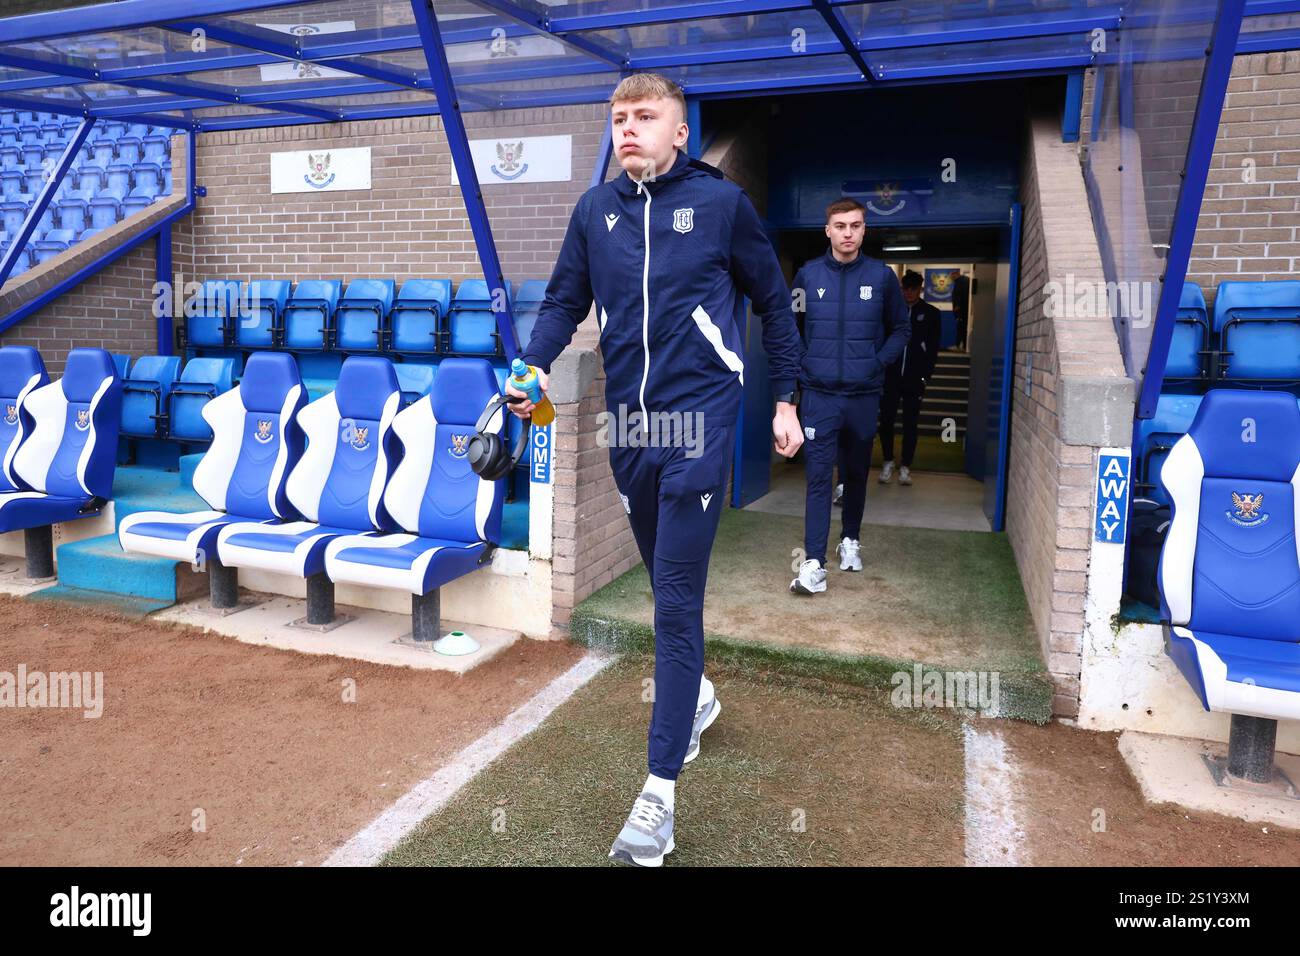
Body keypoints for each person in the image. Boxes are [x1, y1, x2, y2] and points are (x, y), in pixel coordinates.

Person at [506, 72, 805, 867]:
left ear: (680, 131)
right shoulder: (594, 212)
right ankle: (698, 697)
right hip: (629, 428)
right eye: (618, 117)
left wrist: (786, 399)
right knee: (660, 577)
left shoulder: (720, 206)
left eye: (645, 116)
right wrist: (531, 366)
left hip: (701, 421)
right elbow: (564, 303)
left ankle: (658, 797)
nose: (628, 128)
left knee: (675, 601)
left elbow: (773, 301)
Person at [788, 198, 909, 596]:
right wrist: (805, 366)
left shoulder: (881, 277)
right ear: (827, 230)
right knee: (819, 479)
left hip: (863, 395)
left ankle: (850, 540)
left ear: (864, 230)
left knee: (856, 475)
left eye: (855, 226)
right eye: (840, 226)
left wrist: (876, 363)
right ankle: (813, 564)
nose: (847, 233)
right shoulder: (807, 275)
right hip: (819, 398)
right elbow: (791, 330)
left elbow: (900, 330)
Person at [878, 269, 941, 486]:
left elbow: (933, 348)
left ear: (920, 289)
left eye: (913, 289)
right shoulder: (891, 312)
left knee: (910, 424)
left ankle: (906, 466)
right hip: (891, 377)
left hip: (914, 379)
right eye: (906, 289)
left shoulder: (931, 313)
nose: (909, 293)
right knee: (886, 420)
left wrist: (926, 376)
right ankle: (888, 461)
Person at [951, 268, 970, 352]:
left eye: (952, 277)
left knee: (961, 327)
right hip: (965, 309)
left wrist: (957, 306)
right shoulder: (966, 280)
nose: (951, 279)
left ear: (956, 275)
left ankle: (960, 346)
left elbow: (958, 295)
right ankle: (962, 345)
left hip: (961, 310)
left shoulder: (959, 282)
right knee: (962, 327)